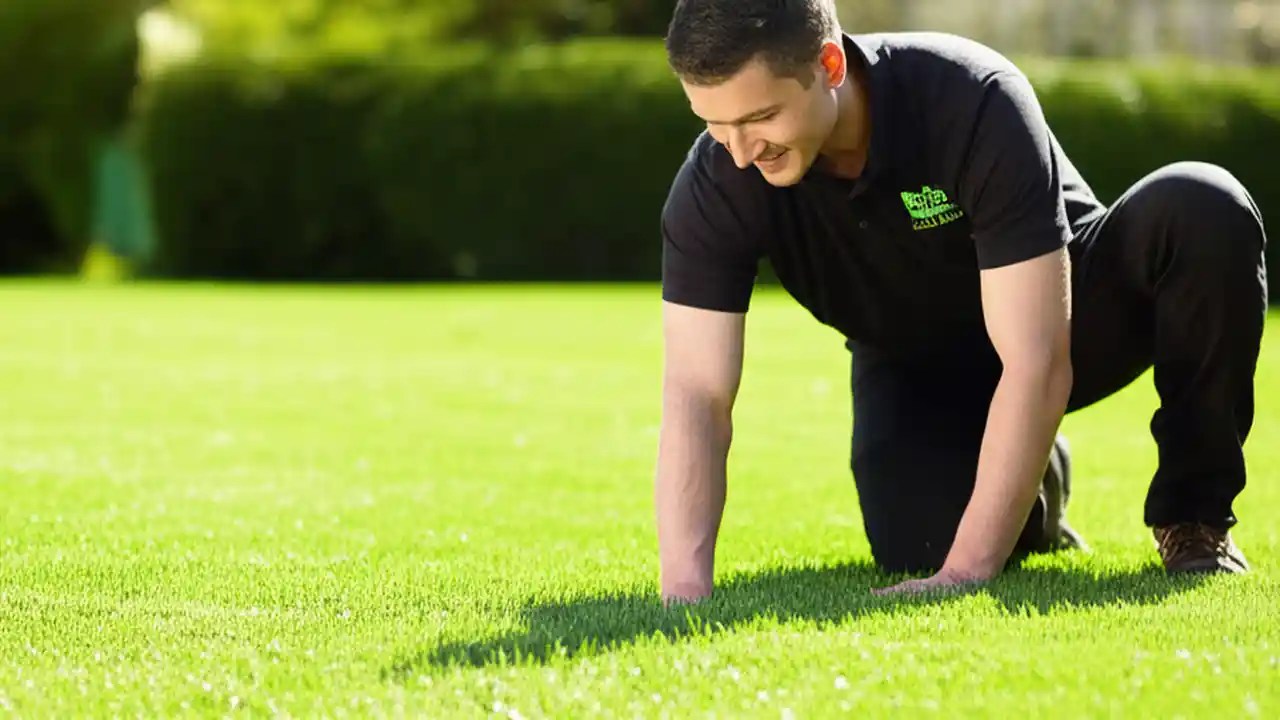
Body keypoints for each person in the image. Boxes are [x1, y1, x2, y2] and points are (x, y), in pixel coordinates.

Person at [654, 0, 1268, 604]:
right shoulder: (718, 181)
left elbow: (1036, 360)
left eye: (761, 117)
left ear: (830, 65)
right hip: (915, 365)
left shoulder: (972, 97)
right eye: (714, 125)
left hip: (1064, 321)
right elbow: (698, 392)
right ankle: (1039, 488)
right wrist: (683, 592)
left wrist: (966, 573)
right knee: (918, 541)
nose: (740, 152)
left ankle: (1195, 520)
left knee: (1204, 204)